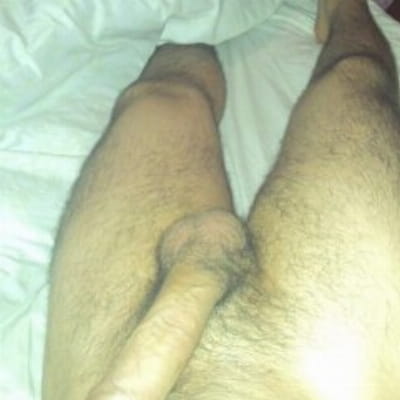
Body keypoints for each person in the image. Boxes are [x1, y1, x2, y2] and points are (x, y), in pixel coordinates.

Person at [42, 0, 400, 399]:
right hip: (343, 378)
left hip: (115, 367)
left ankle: (192, 16)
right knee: (356, 75)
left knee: (161, 97)